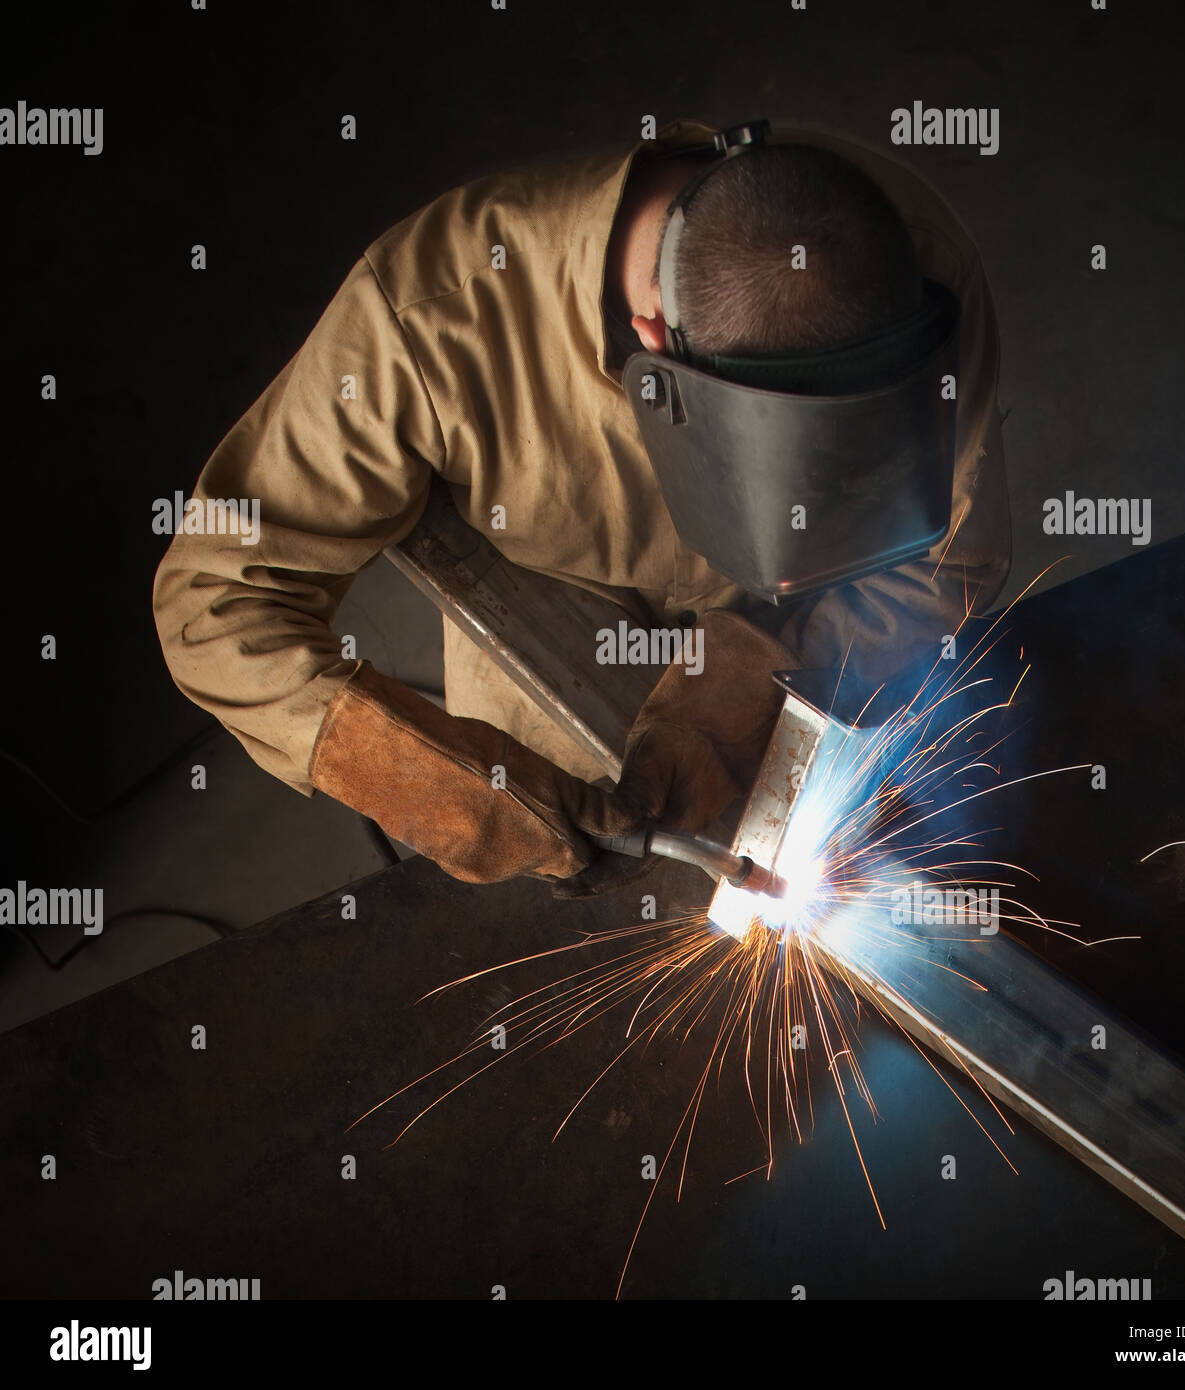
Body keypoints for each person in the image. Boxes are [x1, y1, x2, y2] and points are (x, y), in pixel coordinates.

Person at [152, 117, 1010, 888]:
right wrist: (432, 780)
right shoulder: (429, 315)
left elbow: (945, 564)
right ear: (652, 346)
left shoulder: (916, 268)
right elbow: (214, 600)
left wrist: (741, 694)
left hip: (801, 652)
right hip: (548, 671)